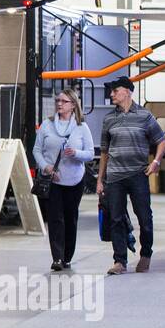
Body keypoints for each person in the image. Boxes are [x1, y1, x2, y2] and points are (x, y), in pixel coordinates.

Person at [97, 76, 165, 275]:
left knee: (144, 217)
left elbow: (161, 140)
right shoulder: (109, 118)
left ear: (127, 91)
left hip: (137, 174)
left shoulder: (144, 116)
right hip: (115, 176)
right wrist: (100, 180)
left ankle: (146, 254)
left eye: (114, 90)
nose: (111, 94)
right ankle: (120, 261)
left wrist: (156, 161)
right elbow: (104, 151)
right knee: (116, 218)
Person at [32, 88, 95, 272]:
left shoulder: (81, 127)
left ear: (73, 105)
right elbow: (37, 150)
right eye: (58, 100)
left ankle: (67, 256)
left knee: (70, 218)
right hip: (53, 180)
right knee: (55, 219)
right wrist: (46, 166)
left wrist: (76, 153)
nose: (59, 104)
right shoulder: (47, 125)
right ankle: (57, 258)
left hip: (75, 180)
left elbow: (90, 154)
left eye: (64, 101)